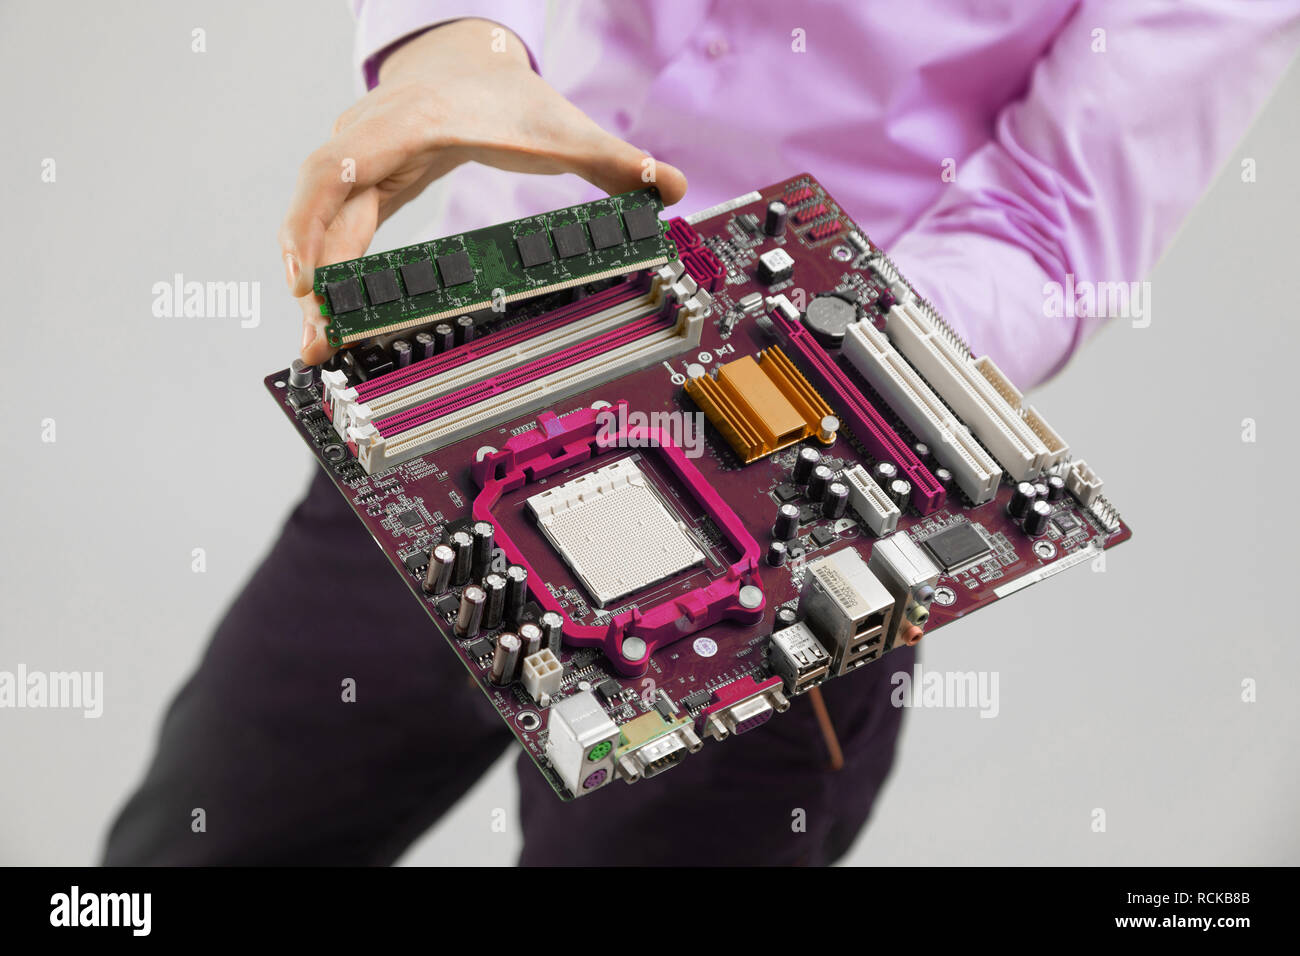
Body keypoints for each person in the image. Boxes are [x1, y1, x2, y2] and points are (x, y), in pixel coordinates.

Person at [104, 1, 1300, 865]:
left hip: (787, 482)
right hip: (465, 408)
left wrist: (761, 352)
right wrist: (454, 49)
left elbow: (1048, 226)